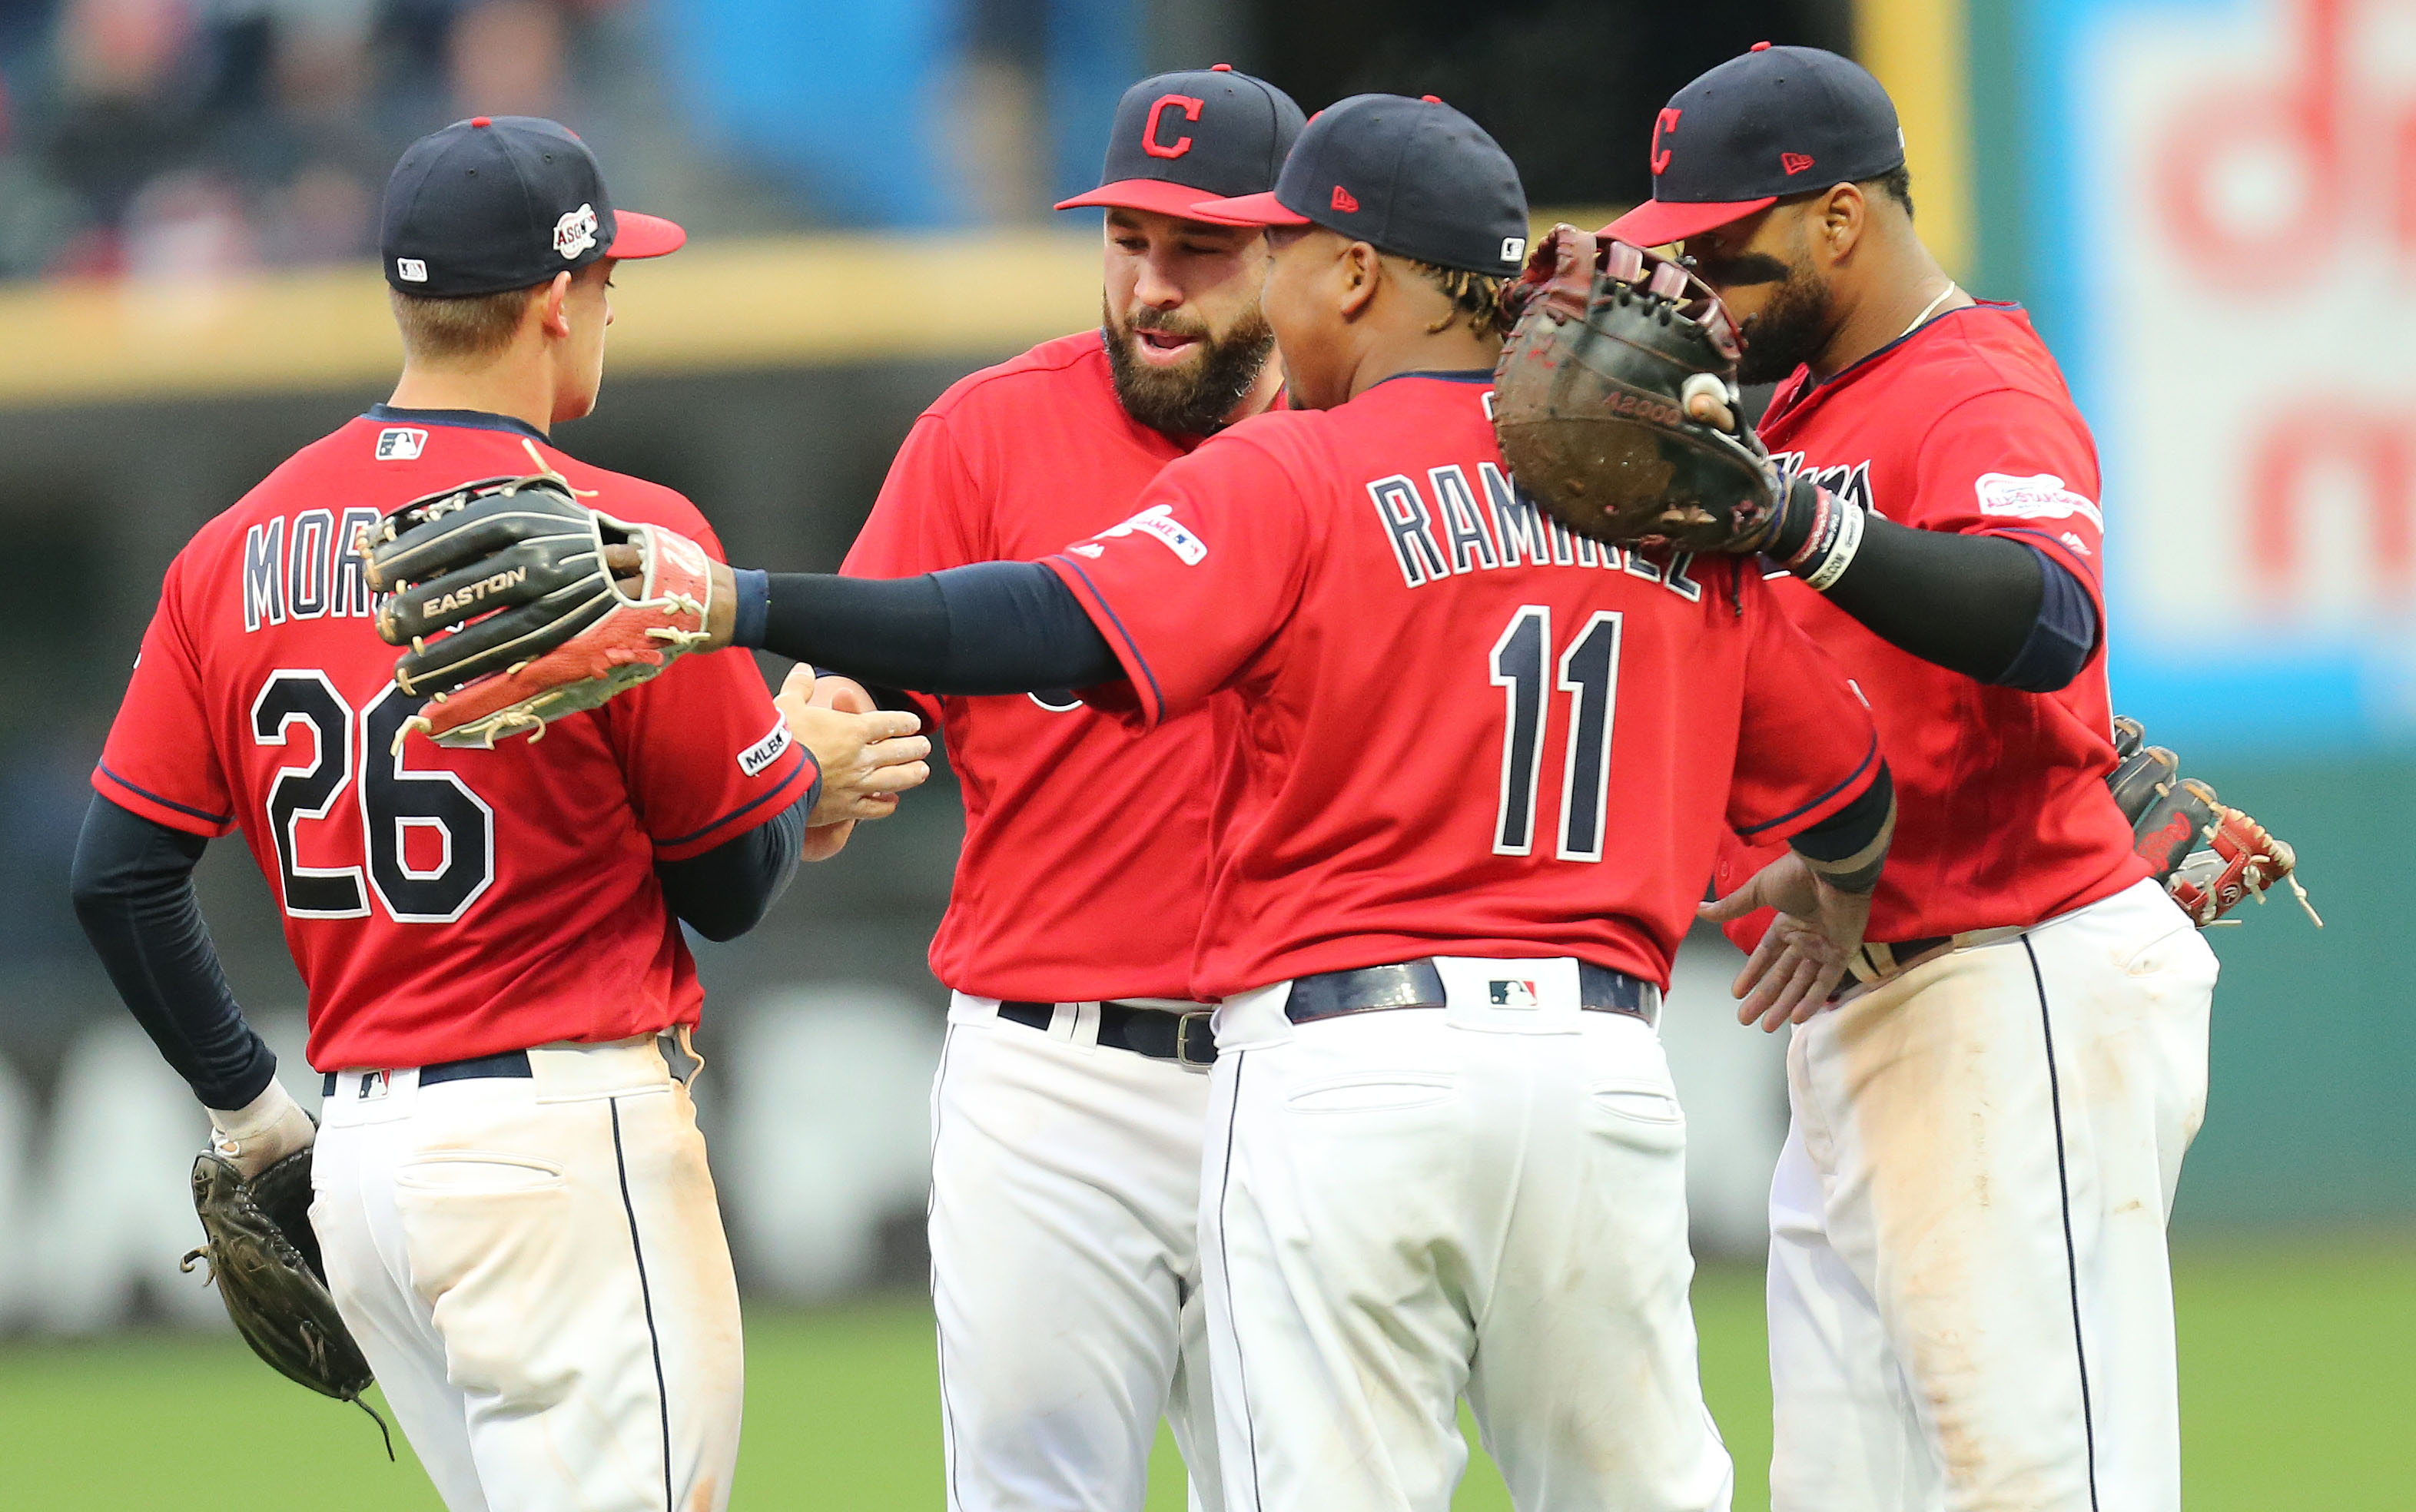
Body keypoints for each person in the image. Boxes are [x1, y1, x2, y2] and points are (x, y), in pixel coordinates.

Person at [515, 94, 1896, 1511]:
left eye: (1257, 248)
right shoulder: (1645, 495)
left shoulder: (1297, 467)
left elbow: (1043, 618)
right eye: (1129, 239)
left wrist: (733, 599)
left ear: (1347, 271)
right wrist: (1839, 873)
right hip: (1587, 1070)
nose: (1161, 280)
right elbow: (1849, 786)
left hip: (1341, 1069)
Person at [67, 115, 924, 1512]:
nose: (604, 313)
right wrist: (798, 767)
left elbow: (120, 878)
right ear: (553, 302)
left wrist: (254, 1115)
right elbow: (727, 881)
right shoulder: (614, 530)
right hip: (561, 1147)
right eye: (606, 287)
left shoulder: (230, 548)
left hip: (364, 1175)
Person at [1606, 44, 2221, 1512]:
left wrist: (1802, 523)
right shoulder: (1795, 410)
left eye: (1723, 251)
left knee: (2044, 1484)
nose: (1696, 288)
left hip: (2001, 992)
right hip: (1865, 1009)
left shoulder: (1970, 388)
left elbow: (2044, 613)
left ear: (1837, 221)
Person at [804, 65, 1301, 1512]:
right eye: (1128, 238)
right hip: (1053, 1073)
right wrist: (812, 755)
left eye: (1199, 248)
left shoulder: (1353, 444)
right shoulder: (989, 432)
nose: (1154, 282)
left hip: (1303, 1064)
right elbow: (851, 685)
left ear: (1291, 253)